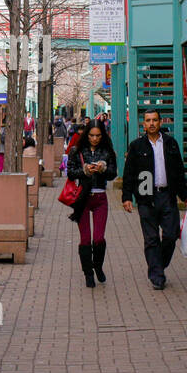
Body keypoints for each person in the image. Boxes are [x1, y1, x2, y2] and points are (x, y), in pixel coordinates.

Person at [120, 109, 187, 290]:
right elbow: (129, 173)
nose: (151, 123)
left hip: (167, 196)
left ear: (160, 122)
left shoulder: (171, 143)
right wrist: (127, 197)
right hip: (146, 198)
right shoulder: (136, 146)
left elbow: (178, 171)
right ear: (143, 124)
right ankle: (157, 276)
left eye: (154, 120)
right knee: (151, 238)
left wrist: (185, 195)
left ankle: (158, 264)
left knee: (170, 234)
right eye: (148, 120)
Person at [66, 119, 116, 288]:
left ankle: (98, 266)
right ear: (86, 135)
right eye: (92, 135)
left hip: (101, 198)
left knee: (99, 238)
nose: (95, 139)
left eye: (98, 136)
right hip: (83, 198)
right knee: (85, 239)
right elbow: (71, 174)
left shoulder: (107, 151)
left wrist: (103, 169)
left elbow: (113, 174)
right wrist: (85, 170)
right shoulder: (77, 151)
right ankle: (88, 273)